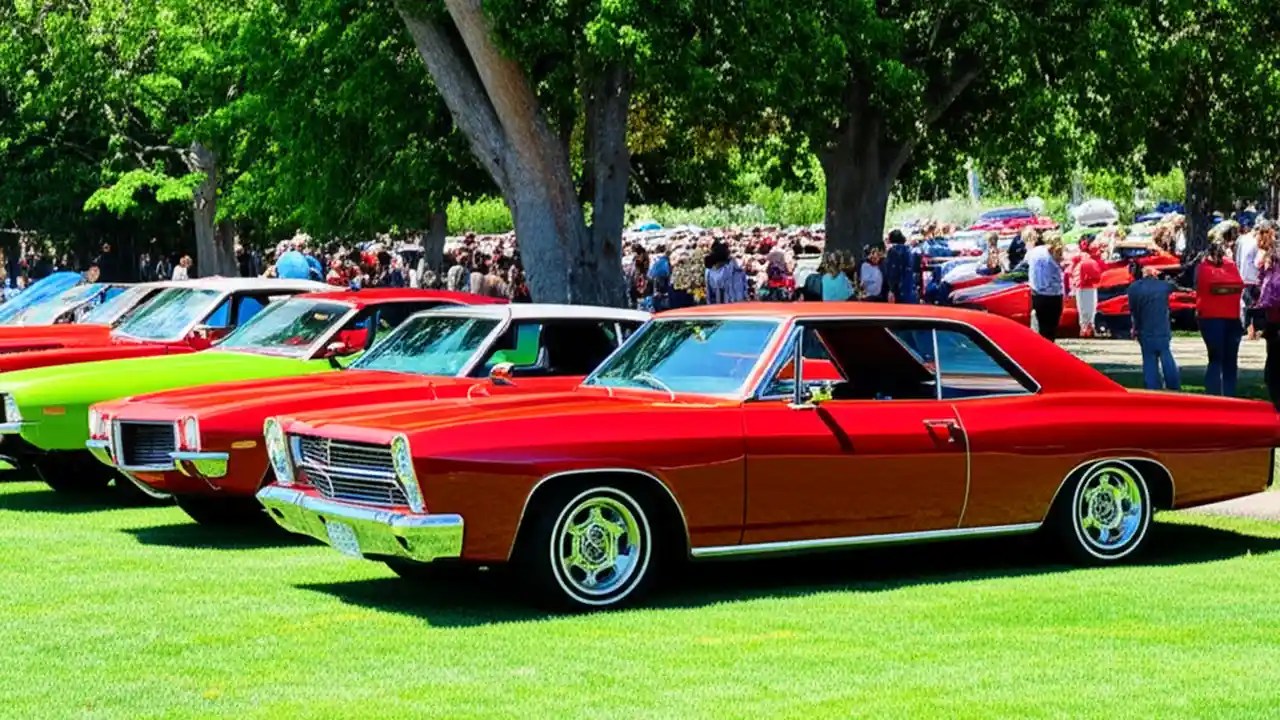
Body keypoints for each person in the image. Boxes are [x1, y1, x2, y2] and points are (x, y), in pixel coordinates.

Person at [1195, 241, 1244, 396]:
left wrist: (1220, 290)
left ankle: (1216, 394)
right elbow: (1237, 286)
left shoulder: (1204, 268)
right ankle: (1227, 394)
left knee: (1217, 358)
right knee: (1228, 359)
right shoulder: (1228, 266)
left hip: (1211, 316)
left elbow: (1205, 287)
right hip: (1229, 316)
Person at [1127, 262, 1180, 391]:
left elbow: (1133, 310)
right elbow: (1175, 286)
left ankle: (1152, 387)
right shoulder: (1163, 287)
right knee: (1166, 356)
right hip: (1161, 327)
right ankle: (1173, 384)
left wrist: (1135, 328)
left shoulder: (1133, 288)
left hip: (1144, 328)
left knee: (1149, 359)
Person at [1025, 233, 1064, 341]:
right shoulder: (1051, 255)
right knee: (1051, 328)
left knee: (1042, 326)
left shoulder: (1034, 252)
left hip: (1037, 294)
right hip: (1053, 295)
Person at [1070, 237, 1103, 337]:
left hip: (1084, 285)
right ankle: (1086, 327)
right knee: (1088, 307)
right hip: (1085, 285)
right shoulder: (1086, 259)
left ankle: (1086, 327)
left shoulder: (1082, 258)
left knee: (1086, 307)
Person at [1236, 224, 1261, 339]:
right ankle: (1251, 328)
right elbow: (1257, 262)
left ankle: (1250, 328)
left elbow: (1238, 257)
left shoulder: (1242, 240)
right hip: (1252, 277)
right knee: (1251, 304)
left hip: (1244, 275)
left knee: (1247, 303)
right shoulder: (1255, 242)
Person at [884, 230, 917, 303]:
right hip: (908, 287)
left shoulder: (893, 251)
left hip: (898, 289)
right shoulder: (909, 250)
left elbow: (893, 271)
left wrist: (891, 289)